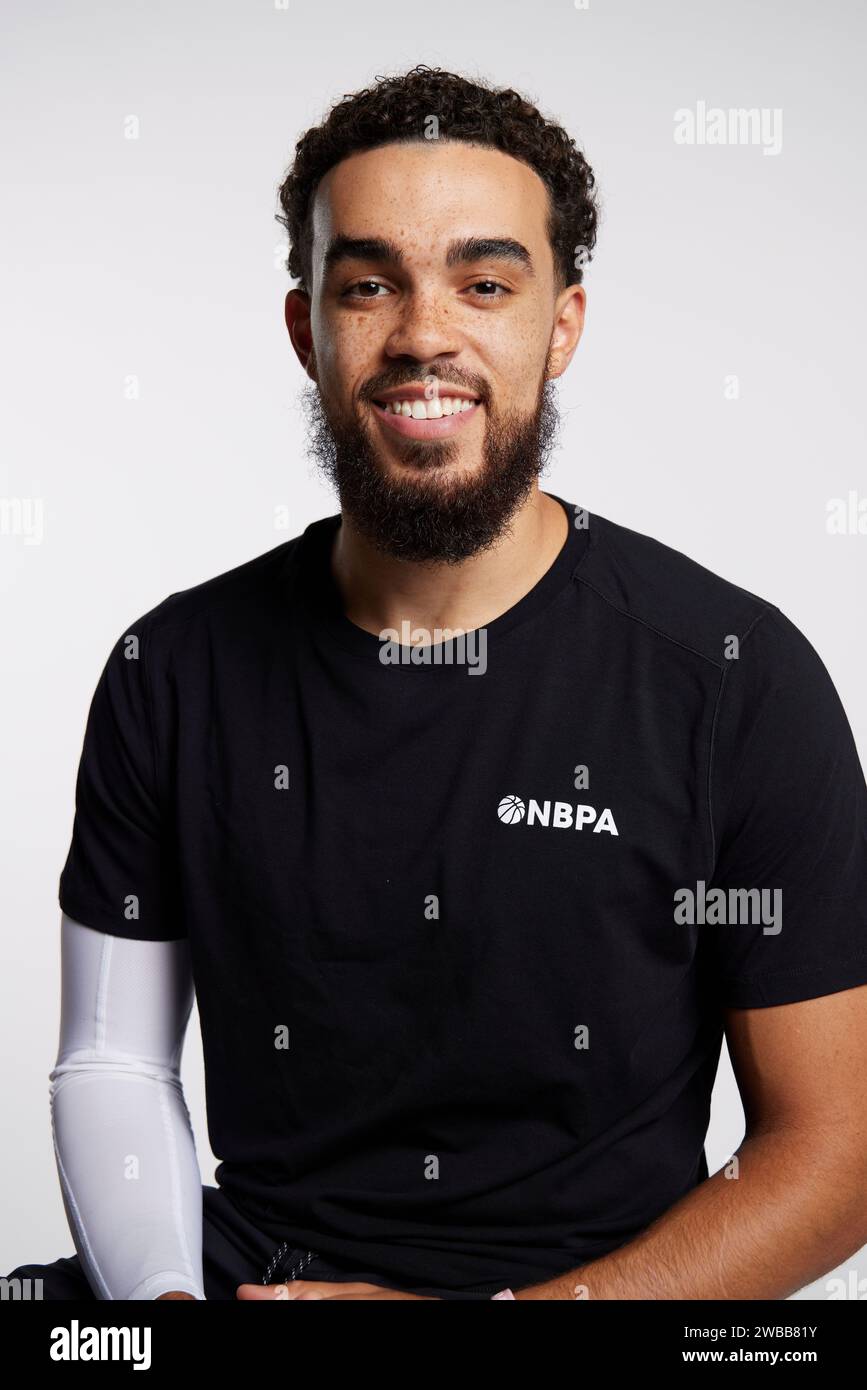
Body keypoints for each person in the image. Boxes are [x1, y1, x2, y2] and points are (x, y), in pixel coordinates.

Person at [6, 64, 867, 1302]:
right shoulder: (174, 670)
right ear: (307, 327)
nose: (424, 333)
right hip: (251, 1279)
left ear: (560, 324)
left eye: (484, 283)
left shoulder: (733, 679)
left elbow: (834, 1153)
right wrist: (166, 1311)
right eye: (368, 284)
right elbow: (111, 1060)